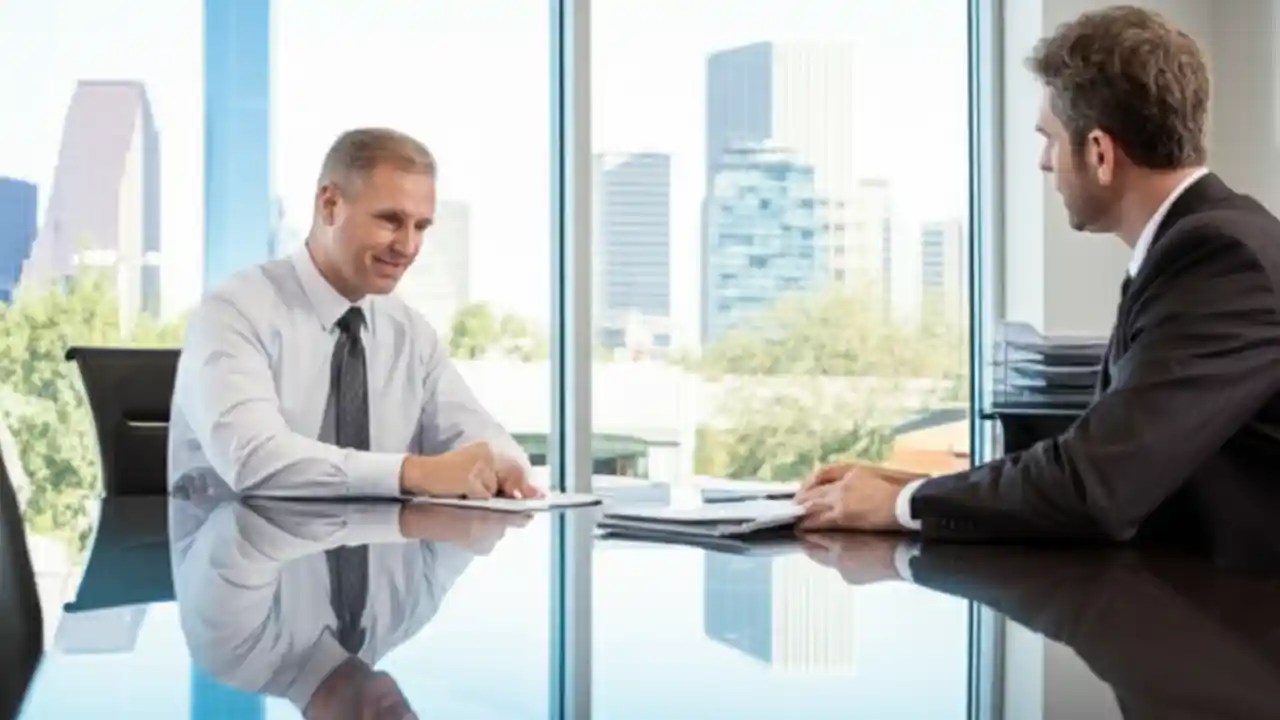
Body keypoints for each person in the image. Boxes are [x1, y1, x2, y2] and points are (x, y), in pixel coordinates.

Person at [798, 6, 1280, 542]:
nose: (1044, 162)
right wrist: (912, 486)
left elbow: (1094, 488)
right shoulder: (1203, 244)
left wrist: (901, 505)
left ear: (1099, 152)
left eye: (1048, 138)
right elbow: (1115, 464)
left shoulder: (1219, 259)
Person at [169, 128, 539, 499]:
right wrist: (414, 472)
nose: (408, 246)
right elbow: (252, 459)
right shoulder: (234, 312)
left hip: (384, 549)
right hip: (244, 548)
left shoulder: (409, 333)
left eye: (421, 226)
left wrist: (504, 465)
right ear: (330, 205)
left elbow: (476, 433)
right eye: (390, 220)